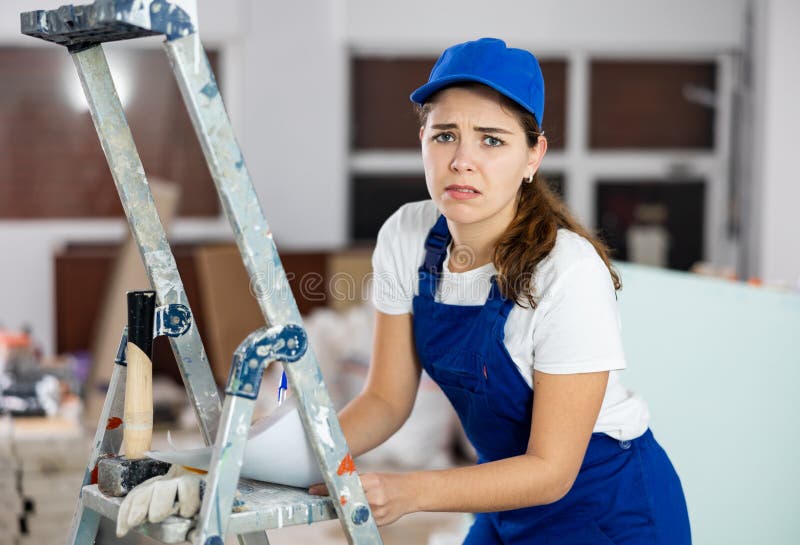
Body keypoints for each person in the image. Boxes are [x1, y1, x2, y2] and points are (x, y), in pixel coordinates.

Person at [309, 37, 691, 544]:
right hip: (504, 492)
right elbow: (385, 398)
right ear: (421, 139)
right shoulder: (407, 235)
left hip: (604, 507)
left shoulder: (567, 272)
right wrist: (299, 454)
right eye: (445, 135)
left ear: (533, 156)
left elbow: (552, 469)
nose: (463, 160)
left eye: (492, 140)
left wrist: (411, 492)